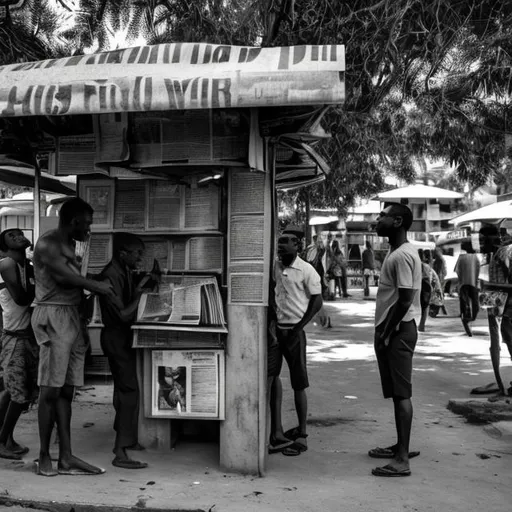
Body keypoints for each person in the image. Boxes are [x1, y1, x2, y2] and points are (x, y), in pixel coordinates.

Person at [31, 197, 115, 477]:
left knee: (67, 390)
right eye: (87, 224)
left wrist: (100, 279)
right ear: (74, 221)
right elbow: (66, 277)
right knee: (50, 389)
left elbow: (76, 274)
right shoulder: (48, 243)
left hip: (73, 316)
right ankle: (44, 455)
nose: (89, 229)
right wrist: (99, 286)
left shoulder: (73, 244)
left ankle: (66, 456)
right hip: (53, 315)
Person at [369, 203, 422, 477]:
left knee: (402, 394)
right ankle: (401, 445)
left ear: (398, 221)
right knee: (396, 392)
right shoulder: (396, 251)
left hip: (398, 331)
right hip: (395, 329)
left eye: (382, 216)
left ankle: (402, 459)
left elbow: (405, 299)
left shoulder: (402, 256)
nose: (377, 219)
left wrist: (387, 331)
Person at [99, 233, 150, 470]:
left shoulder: (122, 271)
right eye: (137, 253)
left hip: (120, 337)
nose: (140, 257)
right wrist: (140, 294)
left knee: (124, 391)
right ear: (123, 253)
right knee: (129, 392)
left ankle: (126, 439)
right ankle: (120, 451)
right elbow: (122, 315)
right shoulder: (110, 275)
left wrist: (139, 286)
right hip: (116, 337)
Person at [272, 229, 322, 456]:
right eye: (279, 242)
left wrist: (299, 327)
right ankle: (277, 431)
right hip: (277, 331)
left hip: (294, 332)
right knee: (273, 378)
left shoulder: (306, 270)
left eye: (285, 242)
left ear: (297, 246)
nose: (281, 246)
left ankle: (302, 433)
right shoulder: (275, 267)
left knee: (299, 383)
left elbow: (317, 301)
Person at [0, 229, 37, 460]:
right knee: (17, 394)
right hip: (13, 337)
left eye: (20, 232)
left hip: (25, 336)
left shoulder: (27, 265)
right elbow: (23, 298)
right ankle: (1, 441)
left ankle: (7, 438)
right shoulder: (6, 264)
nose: (18, 235)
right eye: (12, 235)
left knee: (14, 393)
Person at [478, 225, 512, 399]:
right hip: (500, 306)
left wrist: (489, 287)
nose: (480, 244)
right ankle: (502, 384)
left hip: (508, 308)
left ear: (494, 238)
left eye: (483, 240)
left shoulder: (504, 254)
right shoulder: (495, 256)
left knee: (509, 341)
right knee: (502, 341)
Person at [454, 241, 480, 337]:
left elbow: (457, 270)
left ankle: (467, 323)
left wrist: (462, 277)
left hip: (464, 284)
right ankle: (469, 321)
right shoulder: (476, 257)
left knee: (465, 307)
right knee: (475, 306)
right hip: (473, 284)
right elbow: (479, 270)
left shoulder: (461, 258)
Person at [432, 248, 448, 315]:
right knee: (440, 294)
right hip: (441, 279)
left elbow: (438, 271)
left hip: (439, 279)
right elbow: (444, 271)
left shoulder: (439, 260)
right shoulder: (441, 260)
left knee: (438, 294)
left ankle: (439, 309)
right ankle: (442, 308)